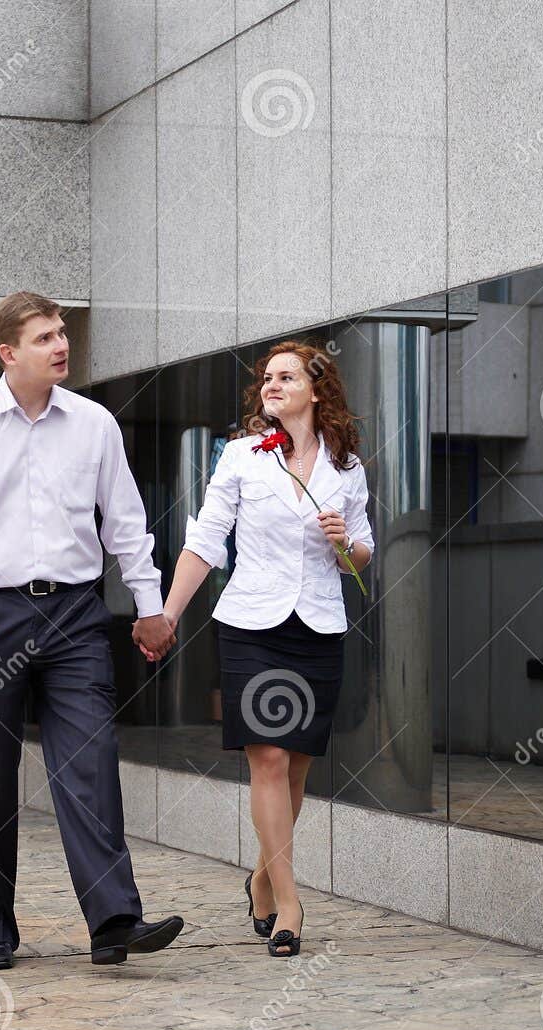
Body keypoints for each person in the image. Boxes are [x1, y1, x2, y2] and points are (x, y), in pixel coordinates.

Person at [0, 290, 183, 970]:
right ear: (7, 352)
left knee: (90, 764)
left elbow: (125, 523)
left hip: (74, 618)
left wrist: (149, 604)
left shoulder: (93, 425)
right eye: (44, 337)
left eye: (62, 332)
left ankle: (115, 919)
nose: (61, 344)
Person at [153, 340, 374, 958]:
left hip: (319, 627)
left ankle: (260, 877)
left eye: (285, 377)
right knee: (268, 760)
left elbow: (362, 558)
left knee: (298, 763)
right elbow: (206, 539)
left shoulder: (347, 467)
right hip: (251, 624)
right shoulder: (243, 457)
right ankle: (291, 901)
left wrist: (343, 543)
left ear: (317, 389)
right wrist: (168, 616)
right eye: (266, 378)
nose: (270, 386)